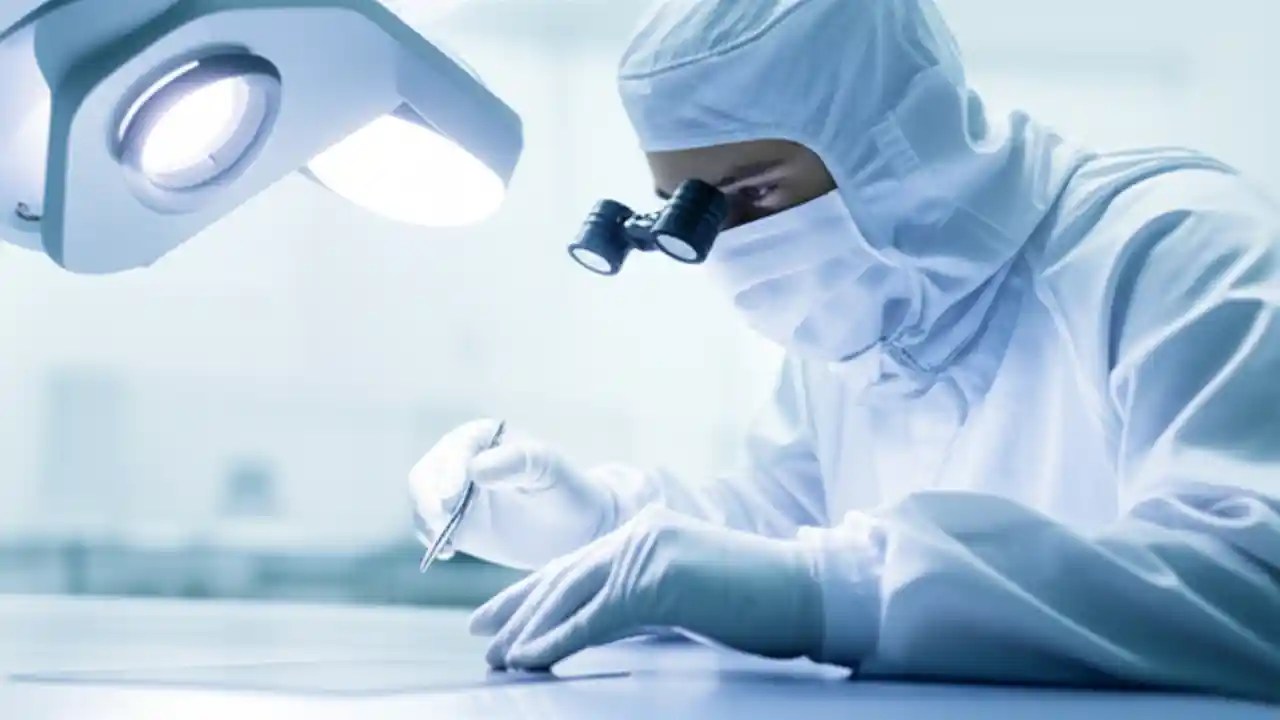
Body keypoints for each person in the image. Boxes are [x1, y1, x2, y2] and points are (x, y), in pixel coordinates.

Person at [410, 0, 1280, 700]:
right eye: (686, 208)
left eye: (751, 194)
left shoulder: (1173, 249)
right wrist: (600, 523)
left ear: (889, 141)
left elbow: (1251, 588)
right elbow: (786, 540)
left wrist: (838, 591)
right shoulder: (865, 317)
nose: (734, 248)